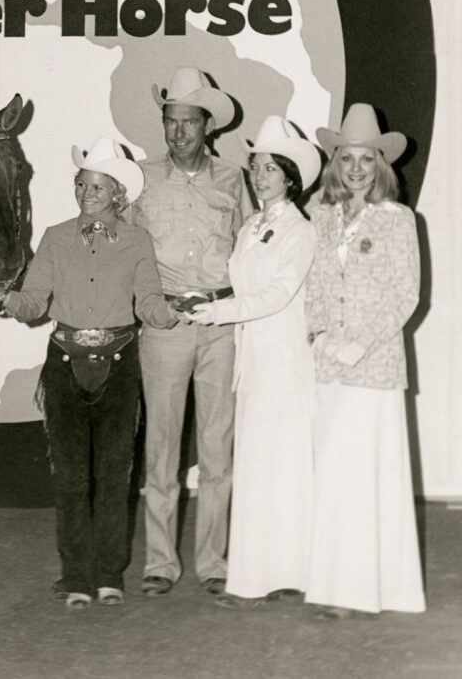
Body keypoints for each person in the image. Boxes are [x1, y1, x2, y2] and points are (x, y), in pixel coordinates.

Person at [0, 137, 176, 610]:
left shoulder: (137, 241)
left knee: (114, 475)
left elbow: (149, 299)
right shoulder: (54, 237)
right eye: (81, 184)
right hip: (65, 365)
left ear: (118, 193)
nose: (86, 193)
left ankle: (109, 575)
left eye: (96, 186)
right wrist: (6, 298)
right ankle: (75, 577)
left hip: (119, 366)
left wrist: (167, 312)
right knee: (71, 478)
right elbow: (33, 304)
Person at [123, 66, 254, 597]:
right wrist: (145, 307)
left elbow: (252, 251)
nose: (178, 133)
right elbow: (124, 253)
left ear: (208, 126)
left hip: (221, 326)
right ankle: (159, 563)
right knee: (160, 449)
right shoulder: (142, 179)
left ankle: (214, 563)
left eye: (189, 123)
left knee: (217, 448)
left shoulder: (232, 180)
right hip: (167, 326)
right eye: (170, 122)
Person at [185, 116, 321, 607]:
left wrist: (219, 311)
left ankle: (292, 573)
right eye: (256, 167)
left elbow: (278, 295)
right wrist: (206, 295)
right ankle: (259, 574)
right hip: (254, 365)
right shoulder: (250, 227)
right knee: (260, 470)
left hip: (285, 367)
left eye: (270, 168)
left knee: (284, 472)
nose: (260, 176)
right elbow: (240, 283)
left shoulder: (298, 231)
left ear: (290, 177)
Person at [303, 103, 426, 619]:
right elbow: (312, 285)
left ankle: (367, 590)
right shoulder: (320, 216)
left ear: (382, 165)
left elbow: (407, 294)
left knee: (366, 475)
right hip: (330, 364)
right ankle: (335, 584)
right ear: (335, 163)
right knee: (332, 473)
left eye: (367, 158)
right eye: (347, 157)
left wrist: (362, 344)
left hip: (373, 369)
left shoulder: (398, 220)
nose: (356, 167)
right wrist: (319, 336)